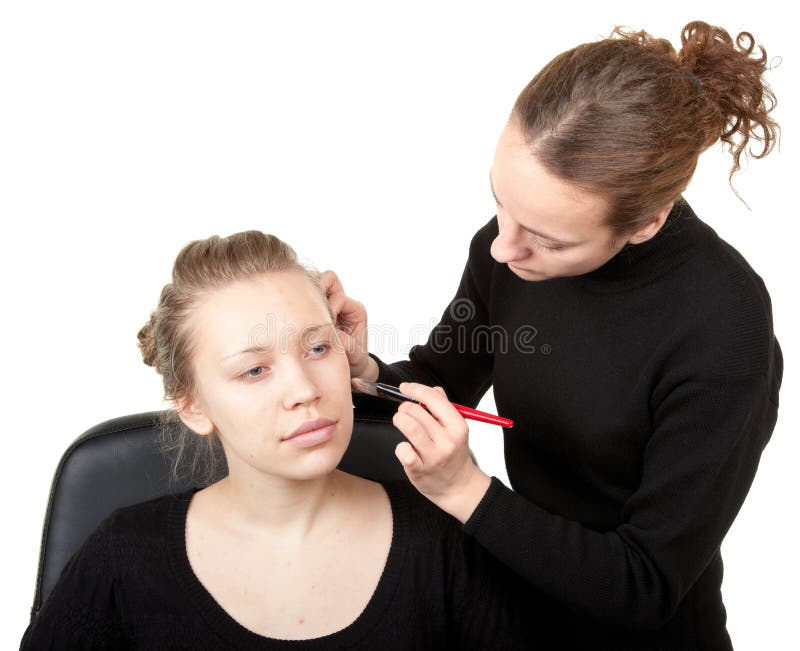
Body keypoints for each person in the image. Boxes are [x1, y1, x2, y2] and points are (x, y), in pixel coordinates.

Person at [323, 20, 783, 649]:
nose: (504, 246)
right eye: (500, 203)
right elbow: (440, 379)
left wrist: (467, 492)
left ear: (645, 222)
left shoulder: (723, 329)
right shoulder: (506, 245)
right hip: (516, 609)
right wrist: (362, 372)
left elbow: (645, 585)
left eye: (547, 238)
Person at [21, 231, 532, 650]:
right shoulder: (122, 556)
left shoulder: (444, 541)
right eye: (255, 370)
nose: (306, 391)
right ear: (193, 405)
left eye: (318, 346)